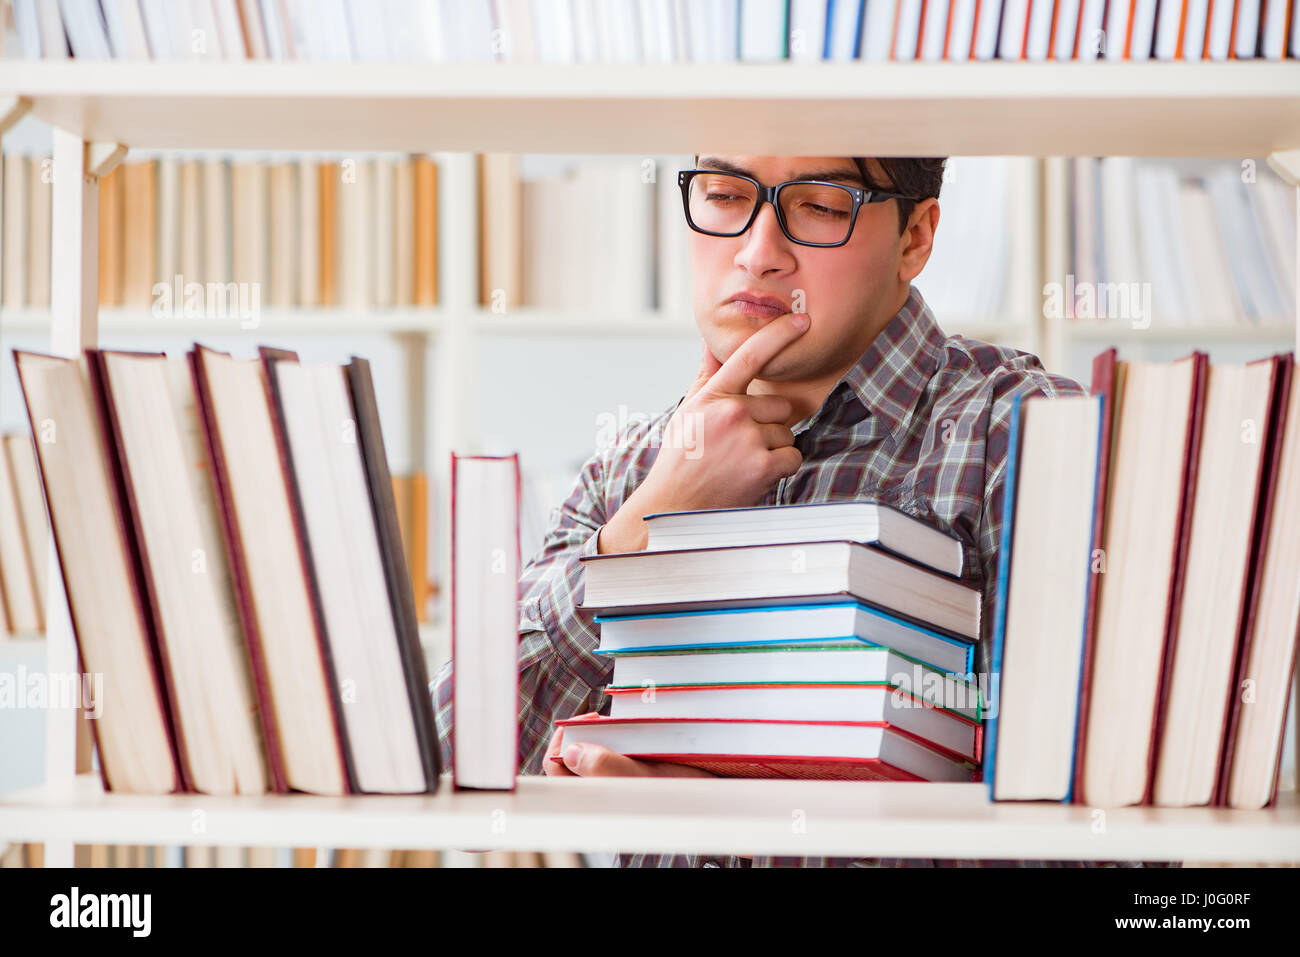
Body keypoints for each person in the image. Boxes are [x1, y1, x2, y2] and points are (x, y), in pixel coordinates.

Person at [431, 153, 1177, 868]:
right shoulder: (631, 468)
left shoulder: (1026, 435)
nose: (758, 252)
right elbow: (444, 773)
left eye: (821, 206)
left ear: (914, 238)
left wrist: (746, 827)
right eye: (724, 196)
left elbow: (1117, 845)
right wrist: (644, 530)